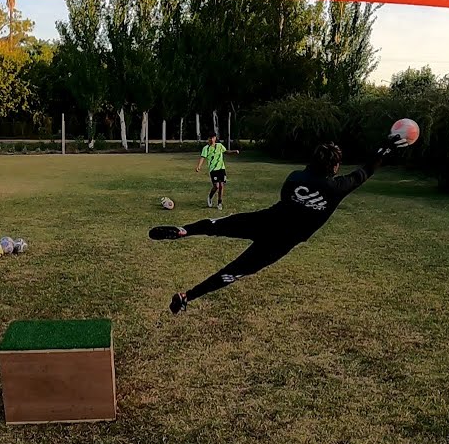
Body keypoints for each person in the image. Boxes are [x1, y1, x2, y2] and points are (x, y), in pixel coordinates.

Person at [151, 133, 408, 314]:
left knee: (219, 224)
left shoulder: (295, 177)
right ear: (335, 166)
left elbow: (285, 197)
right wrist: (385, 149)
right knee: (233, 271)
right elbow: (364, 172)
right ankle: (187, 296)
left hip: (266, 220)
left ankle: (186, 230)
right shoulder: (337, 187)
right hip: (281, 242)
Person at [197, 133, 240, 210]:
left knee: (221, 186)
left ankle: (219, 202)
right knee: (216, 186)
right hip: (213, 169)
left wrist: (234, 152)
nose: (210, 139)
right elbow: (202, 157)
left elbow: (226, 152)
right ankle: (210, 197)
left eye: (212, 138)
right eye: (209, 138)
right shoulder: (206, 148)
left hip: (221, 168)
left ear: (215, 138)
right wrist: (199, 166)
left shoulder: (219, 146)